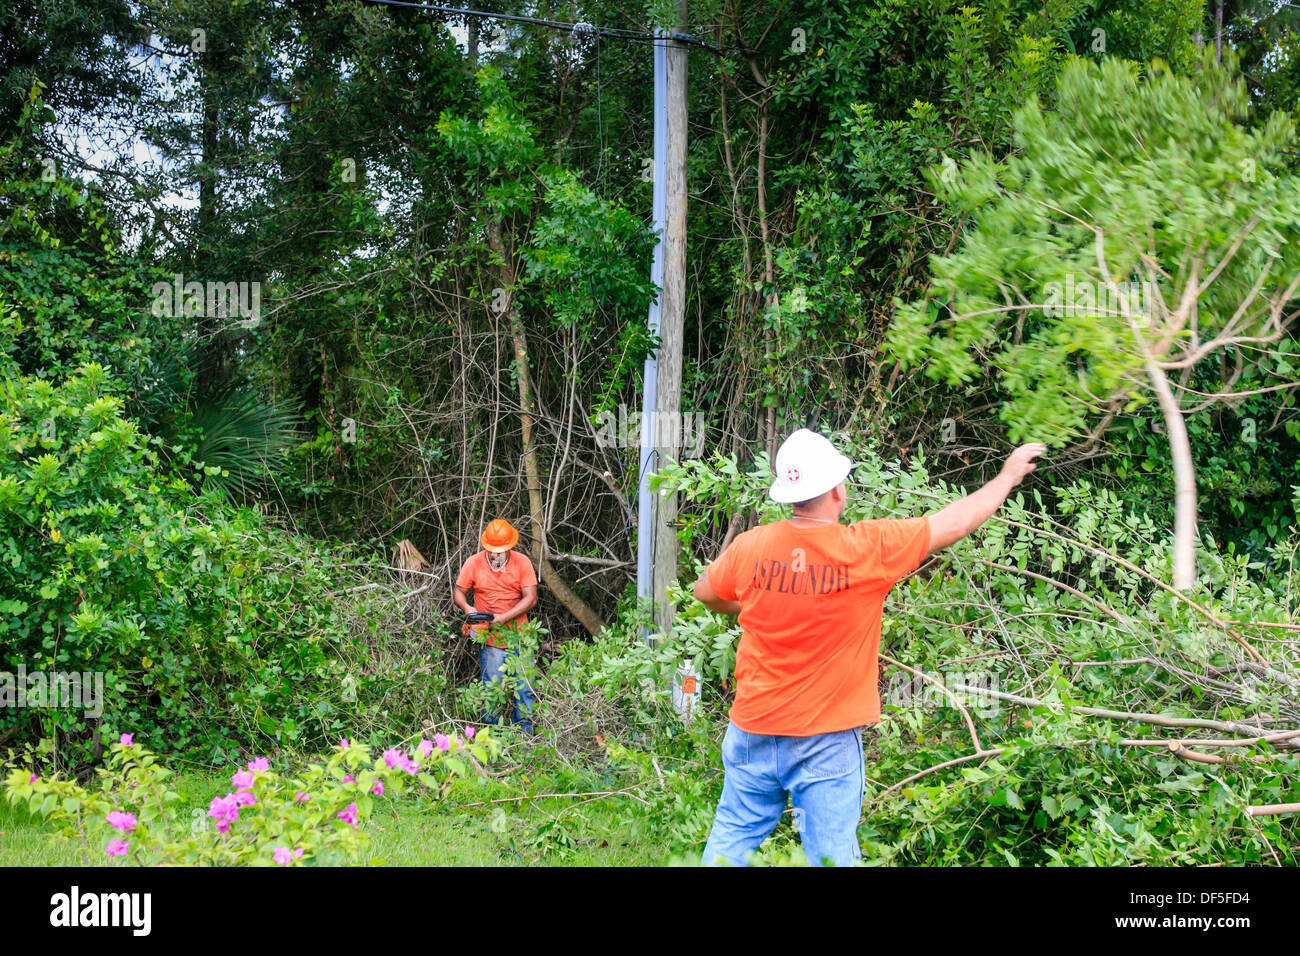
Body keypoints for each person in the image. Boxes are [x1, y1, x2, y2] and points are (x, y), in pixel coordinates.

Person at [694, 428, 1044, 866]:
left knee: (730, 842)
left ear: (788, 494)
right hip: (826, 739)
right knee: (832, 856)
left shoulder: (751, 547)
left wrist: (754, 601)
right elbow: (955, 522)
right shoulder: (866, 549)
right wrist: (1008, 476)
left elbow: (704, 592)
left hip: (752, 729)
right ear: (838, 491)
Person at [453, 519, 540, 734]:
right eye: (491, 551)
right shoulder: (474, 563)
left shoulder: (522, 563)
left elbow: (531, 598)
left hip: (521, 635)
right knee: (492, 687)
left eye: (500, 552)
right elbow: (458, 592)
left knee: (524, 687)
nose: (494, 555)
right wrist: (467, 608)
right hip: (490, 637)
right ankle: (490, 736)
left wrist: (504, 617)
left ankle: (525, 735)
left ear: (510, 547)